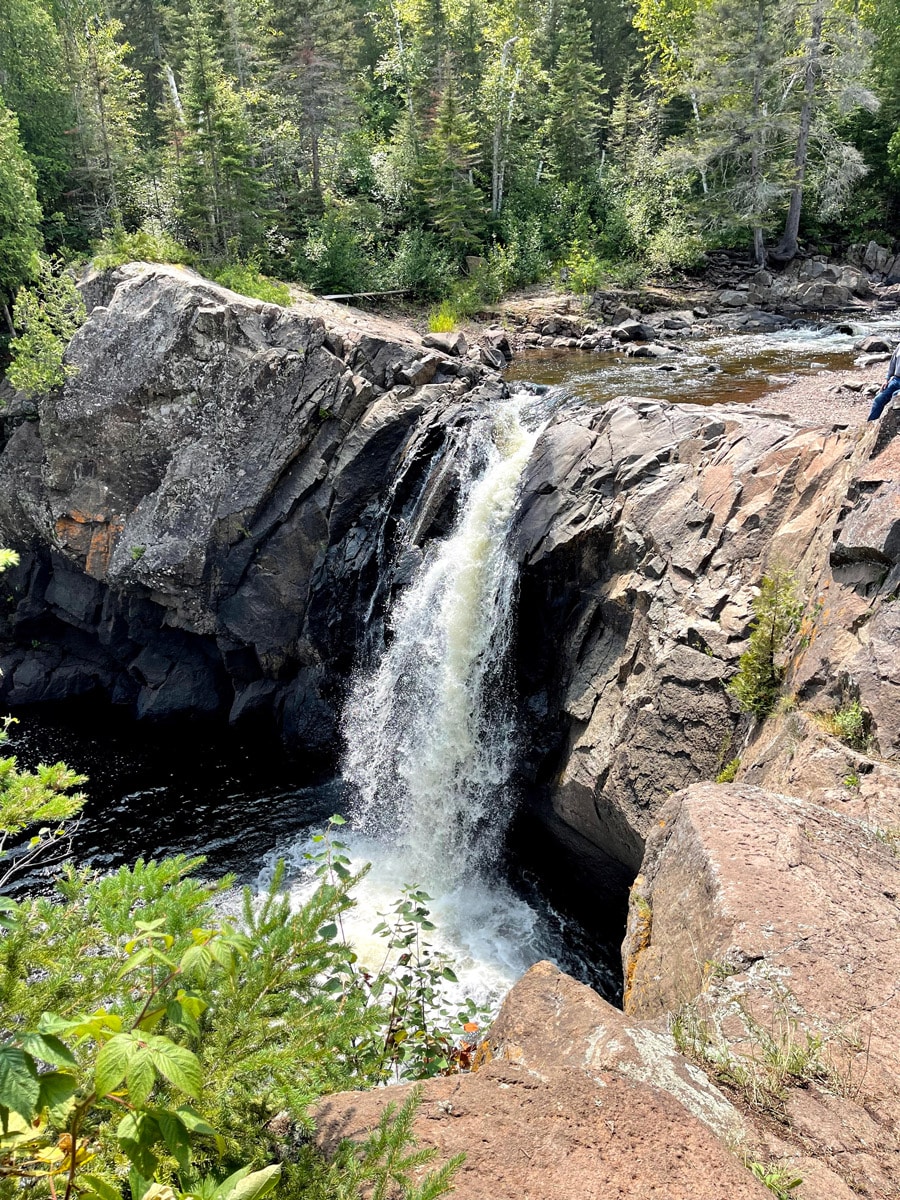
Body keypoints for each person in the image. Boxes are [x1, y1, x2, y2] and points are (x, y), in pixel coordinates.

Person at [868, 338, 900, 421]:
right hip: (896, 380)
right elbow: (892, 363)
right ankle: (870, 425)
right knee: (878, 399)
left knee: (895, 398)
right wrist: (887, 379)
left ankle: (890, 427)